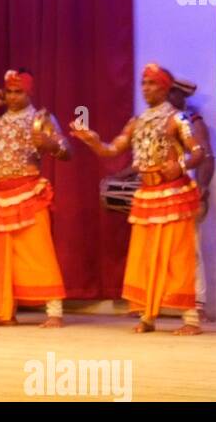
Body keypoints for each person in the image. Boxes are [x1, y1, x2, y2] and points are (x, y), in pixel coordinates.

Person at [70, 64, 206, 335]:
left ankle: (191, 319)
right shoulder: (137, 121)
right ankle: (148, 315)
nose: (146, 88)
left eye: (152, 83)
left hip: (174, 193)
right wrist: (92, 141)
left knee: (178, 256)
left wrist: (181, 165)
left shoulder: (177, 119)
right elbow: (112, 150)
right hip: (147, 195)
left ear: (165, 88)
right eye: (143, 83)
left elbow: (198, 151)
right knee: (145, 256)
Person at [0, 69, 69, 327]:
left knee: (38, 253)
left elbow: (67, 151)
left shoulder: (41, 120)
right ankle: (4, 311)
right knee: (0, 258)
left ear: (29, 92)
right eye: (9, 92)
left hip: (29, 194)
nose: (13, 97)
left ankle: (54, 312)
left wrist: (50, 144)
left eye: (19, 92)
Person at [167, 76, 215, 321]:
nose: (167, 96)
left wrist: (202, 186)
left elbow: (206, 156)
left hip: (187, 193)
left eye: (171, 92)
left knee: (190, 249)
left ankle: (197, 303)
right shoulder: (159, 120)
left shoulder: (193, 121)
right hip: (162, 195)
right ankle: (156, 303)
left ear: (181, 95)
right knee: (160, 248)